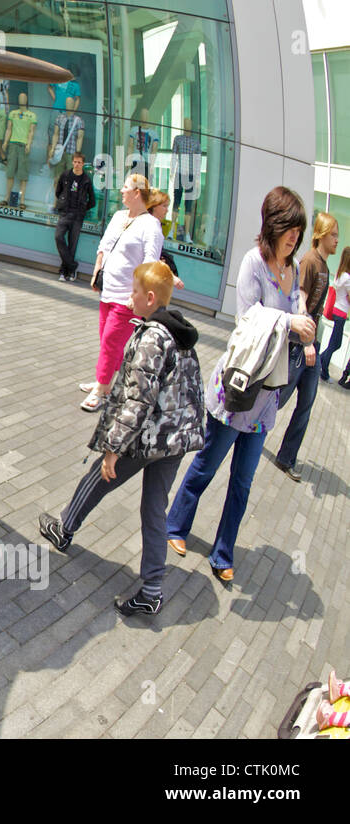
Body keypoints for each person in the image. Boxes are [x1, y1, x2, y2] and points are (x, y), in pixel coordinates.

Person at [166, 186, 315, 583]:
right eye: (289, 229)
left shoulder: (294, 268)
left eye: (298, 232)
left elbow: (291, 307)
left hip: (268, 395)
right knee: (207, 464)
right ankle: (175, 525)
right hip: (239, 388)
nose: (294, 238)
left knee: (244, 481)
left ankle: (222, 552)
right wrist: (287, 322)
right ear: (273, 225)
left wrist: (303, 325)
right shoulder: (254, 262)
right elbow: (247, 319)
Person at [39, 261, 204, 616]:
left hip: (146, 436)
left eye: (132, 292)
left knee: (99, 476)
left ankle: (63, 529)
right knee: (154, 509)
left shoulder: (152, 338)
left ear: (148, 298)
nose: (128, 298)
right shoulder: (179, 333)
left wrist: (113, 448)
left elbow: (137, 400)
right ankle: (153, 589)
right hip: (174, 441)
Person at [80, 173, 162, 412]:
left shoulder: (150, 225)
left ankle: (100, 390)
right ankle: (105, 383)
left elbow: (150, 262)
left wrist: (137, 294)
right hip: (108, 290)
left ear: (137, 193)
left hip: (126, 298)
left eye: (125, 187)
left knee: (110, 342)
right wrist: (97, 273)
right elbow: (104, 246)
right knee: (108, 342)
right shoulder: (118, 216)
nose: (121, 191)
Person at [273, 212, 339, 481]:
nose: (337, 239)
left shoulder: (323, 264)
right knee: (278, 399)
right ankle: (244, 426)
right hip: (301, 345)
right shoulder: (310, 261)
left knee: (307, 403)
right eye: (333, 234)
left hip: (312, 345)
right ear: (321, 235)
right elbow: (299, 299)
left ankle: (286, 457)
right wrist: (308, 341)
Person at [54, 152, 94, 282]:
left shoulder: (86, 179)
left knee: (72, 244)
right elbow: (58, 192)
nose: (77, 165)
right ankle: (72, 266)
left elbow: (92, 201)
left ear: (83, 164)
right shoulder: (65, 175)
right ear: (72, 162)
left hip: (78, 216)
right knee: (58, 237)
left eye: (79, 163)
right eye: (75, 162)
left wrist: (82, 209)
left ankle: (65, 272)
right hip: (65, 213)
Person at [320, 246, 350, 384]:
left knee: (335, 343)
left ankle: (321, 363)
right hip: (341, 313)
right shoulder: (347, 277)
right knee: (335, 344)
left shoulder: (340, 274)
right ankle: (322, 367)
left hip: (337, 311)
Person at [170, 119, 203, 243]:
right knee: (176, 202)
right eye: (186, 123)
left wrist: (197, 177)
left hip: (190, 175)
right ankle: (172, 230)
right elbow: (174, 156)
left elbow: (198, 161)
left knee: (188, 205)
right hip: (179, 173)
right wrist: (172, 172)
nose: (187, 126)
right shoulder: (178, 139)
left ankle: (186, 234)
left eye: (189, 123)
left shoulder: (196, 142)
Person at [3, 92, 36, 207]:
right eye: (20, 98)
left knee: (23, 174)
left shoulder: (31, 115)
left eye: (23, 98)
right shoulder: (13, 113)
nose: (22, 99)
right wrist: (6, 141)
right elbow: (8, 129)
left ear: (26, 100)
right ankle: (6, 198)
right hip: (13, 145)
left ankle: (22, 200)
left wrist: (28, 144)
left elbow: (32, 132)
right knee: (10, 173)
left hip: (23, 146)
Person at [45, 95, 84, 186]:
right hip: (60, 152)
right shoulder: (60, 118)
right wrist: (52, 148)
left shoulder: (78, 121)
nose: (68, 105)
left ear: (74, 104)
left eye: (70, 103)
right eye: (67, 103)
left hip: (72, 153)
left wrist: (78, 153)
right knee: (57, 177)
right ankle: (56, 199)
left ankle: (70, 199)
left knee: (72, 178)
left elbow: (80, 138)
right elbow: (55, 134)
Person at [126, 110, 159, 180]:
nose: (144, 117)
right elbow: (130, 146)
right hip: (136, 161)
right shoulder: (134, 130)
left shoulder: (154, 133)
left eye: (146, 115)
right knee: (135, 185)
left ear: (148, 116)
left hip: (146, 162)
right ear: (140, 116)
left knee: (145, 186)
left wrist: (152, 165)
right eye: (143, 115)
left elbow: (154, 150)